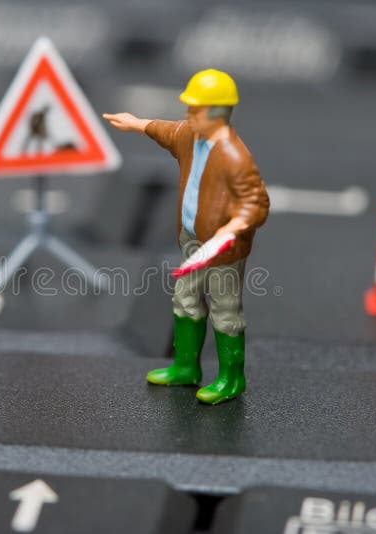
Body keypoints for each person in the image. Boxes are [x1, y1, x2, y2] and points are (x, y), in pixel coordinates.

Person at [103, 69, 269, 404]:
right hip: (192, 239)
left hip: (223, 250)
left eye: (194, 109)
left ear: (216, 112)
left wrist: (233, 228)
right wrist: (136, 123)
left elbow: (257, 203)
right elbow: (165, 130)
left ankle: (231, 378)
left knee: (225, 310)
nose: (188, 115)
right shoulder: (190, 138)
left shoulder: (234, 156)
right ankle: (185, 367)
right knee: (186, 299)